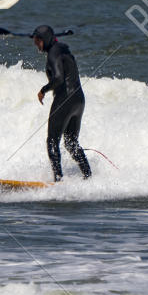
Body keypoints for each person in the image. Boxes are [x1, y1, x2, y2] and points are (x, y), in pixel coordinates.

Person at [33, 26, 91, 181]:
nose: (36, 45)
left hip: (64, 99)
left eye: (37, 41)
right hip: (79, 99)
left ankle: (58, 181)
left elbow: (58, 78)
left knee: (52, 141)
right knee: (71, 142)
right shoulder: (63, 50)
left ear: (44, 40)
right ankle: (88, 176)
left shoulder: (53, 54)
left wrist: (43, 90)